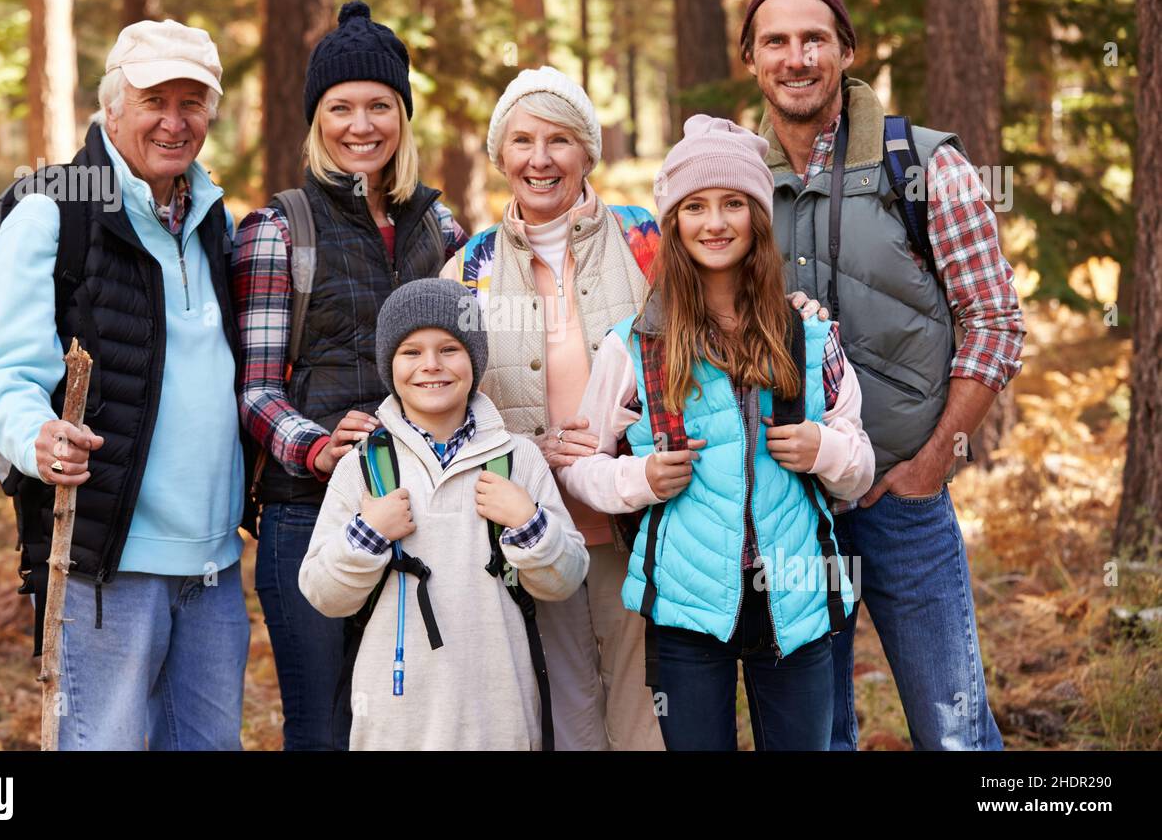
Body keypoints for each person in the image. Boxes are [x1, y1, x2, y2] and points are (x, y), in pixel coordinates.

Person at [739, 0, 1025, 750]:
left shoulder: (925, 168)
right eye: (776, 42)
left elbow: (996, 322)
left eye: (814, 40)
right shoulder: (731, 181)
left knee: (955, 730)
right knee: (813, 737)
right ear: (752, 59)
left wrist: (933, 462)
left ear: (846, 51)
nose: (796, 58)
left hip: (903, 497)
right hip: (789, 510)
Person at [0, 19, 250, 750]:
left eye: (192, 102)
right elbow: (3, 374)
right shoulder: (50, 213)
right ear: (112, 107)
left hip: (216, 564)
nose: (174, 120)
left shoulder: (217, 219)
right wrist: (37, 438)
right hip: (107, 562)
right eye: (154, 98)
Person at [558, 115, 874, 751]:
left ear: (759, 216)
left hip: (796, 602)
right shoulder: (636, 346)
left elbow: (860, 463)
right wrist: (638, 479)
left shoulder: (810, 337)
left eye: (734, 203)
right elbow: (580, 465)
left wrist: (824, 450)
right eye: (695, 206)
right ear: (673, 223)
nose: (716, 221)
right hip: (685, 609)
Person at [232, 1, 466, 750]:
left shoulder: (443, 232)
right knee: (326, 726)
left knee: (417, 721)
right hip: (310, 515)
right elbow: (257, 389)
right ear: (316, 119)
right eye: (341, 107)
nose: (361, 125)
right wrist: (315, 444)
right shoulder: (280, 231)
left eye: (379, 106)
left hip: (430, 514)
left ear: (402, 116)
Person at [441, 65, 665, 750]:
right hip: (534, 531)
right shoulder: (469, 269)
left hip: (644, 522)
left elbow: (705, 351)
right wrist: (528, 453)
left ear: (588, 153)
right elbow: (447, 406)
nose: (541, 159)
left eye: (561, 140)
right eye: (524, 141)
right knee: (565, 716)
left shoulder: (645, 242)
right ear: (501, 155)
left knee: (646, 717)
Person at [298, 279, 588, 750]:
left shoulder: (517, 459)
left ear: (474, 361)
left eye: (449, 348)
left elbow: (565, 579)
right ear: (388, 364)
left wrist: (528, 524)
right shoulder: (365, 465)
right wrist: (367, 536)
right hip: (395, 727)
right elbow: (323, 593)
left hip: (500, 723)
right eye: (411, 352)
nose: (431, 365)